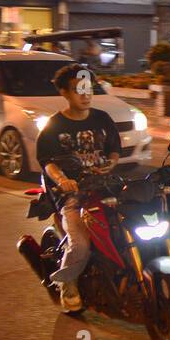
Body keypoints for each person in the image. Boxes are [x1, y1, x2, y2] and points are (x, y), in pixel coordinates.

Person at [35, 63, 121, 312]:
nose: (85, 95)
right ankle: (68, 283)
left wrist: (110, 164)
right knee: (81, 242)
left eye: (88, 88)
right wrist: (63, 180)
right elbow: (47, 163)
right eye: (77, 90)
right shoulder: (54, 126)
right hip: (72, 194)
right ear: (64, 92)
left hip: (105, 187)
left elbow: (114, 149)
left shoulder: (102, 118)